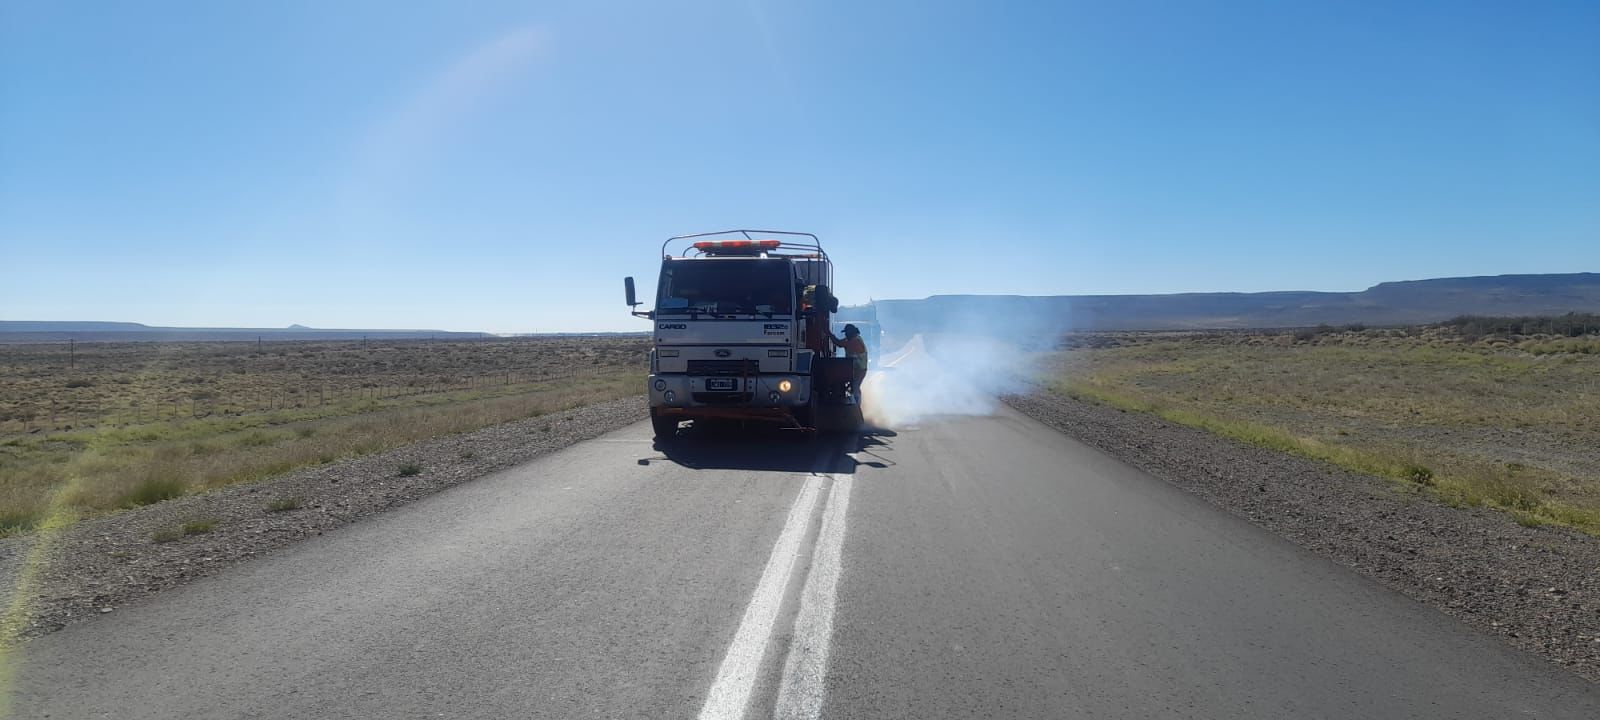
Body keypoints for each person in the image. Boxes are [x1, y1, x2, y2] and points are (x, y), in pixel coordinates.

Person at [829, 324, 869, 404]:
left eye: (846, 333)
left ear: (850, 333)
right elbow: (840, 343)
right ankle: (855, 403)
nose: (845, 335)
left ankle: (856, 405)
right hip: (856, 368)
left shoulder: (855, 341)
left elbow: (839, 343)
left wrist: (829, 334)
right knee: (854, 386)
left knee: (855, 386)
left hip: (859, 369)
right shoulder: (853, 339)